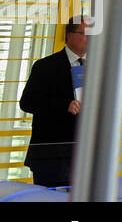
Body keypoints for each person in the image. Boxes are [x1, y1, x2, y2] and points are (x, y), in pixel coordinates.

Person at [19, 16, 90, 187]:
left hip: (83, 155)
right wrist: (64, 105)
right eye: (84, 34)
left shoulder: (93, 68)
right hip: (50, 155)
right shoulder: (45, 66)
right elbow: (27, 102)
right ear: (69, 35)